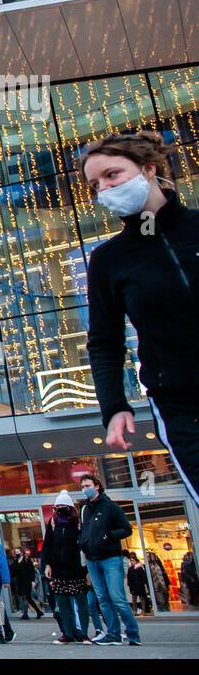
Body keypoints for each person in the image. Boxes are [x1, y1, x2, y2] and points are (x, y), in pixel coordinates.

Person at [83, 131, 199, 506]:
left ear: (148, 169)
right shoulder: (108, 260)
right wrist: (114, 406)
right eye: (95, 184)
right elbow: (104, 342)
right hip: (184, 409)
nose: (104, 189)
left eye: (112, 175)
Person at [74, 474, 140, 645]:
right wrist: (82, 542)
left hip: (110, 558)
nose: (84, 489)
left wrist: (108, 536)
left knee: (117, 597)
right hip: (92, 559)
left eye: (87, 485)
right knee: (103, 598)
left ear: (96, 486)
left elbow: (126, 529)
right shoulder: (85, 509)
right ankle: (114, 634)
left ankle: (133, 634)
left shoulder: (110, 507)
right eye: (82, 487)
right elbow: (83, 530)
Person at [42, 491, 92, 644]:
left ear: (70, 507)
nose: (59, 509)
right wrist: (47, 564)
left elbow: (85, 544)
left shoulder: (78, 523)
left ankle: (84, 634)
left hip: (76, 568)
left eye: (63, 506)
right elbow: (47, 544)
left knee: (81, 602)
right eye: (57, 506)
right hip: (58, 568)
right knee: (63, 603)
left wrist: (87, 569)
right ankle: (68, 633)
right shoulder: (53, 522)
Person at [13, 548, 43, 619]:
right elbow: (15, 571)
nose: (17, 553)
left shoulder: (27, 559)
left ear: (21, 552)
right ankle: (38, 611)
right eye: (16, 552)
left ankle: (25, 614)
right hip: (20, 582)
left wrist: (33, 581)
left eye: (18, 552)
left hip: (27, 581)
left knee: (25, 597)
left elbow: (31, 570)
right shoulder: (16, 560)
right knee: (28, 598)